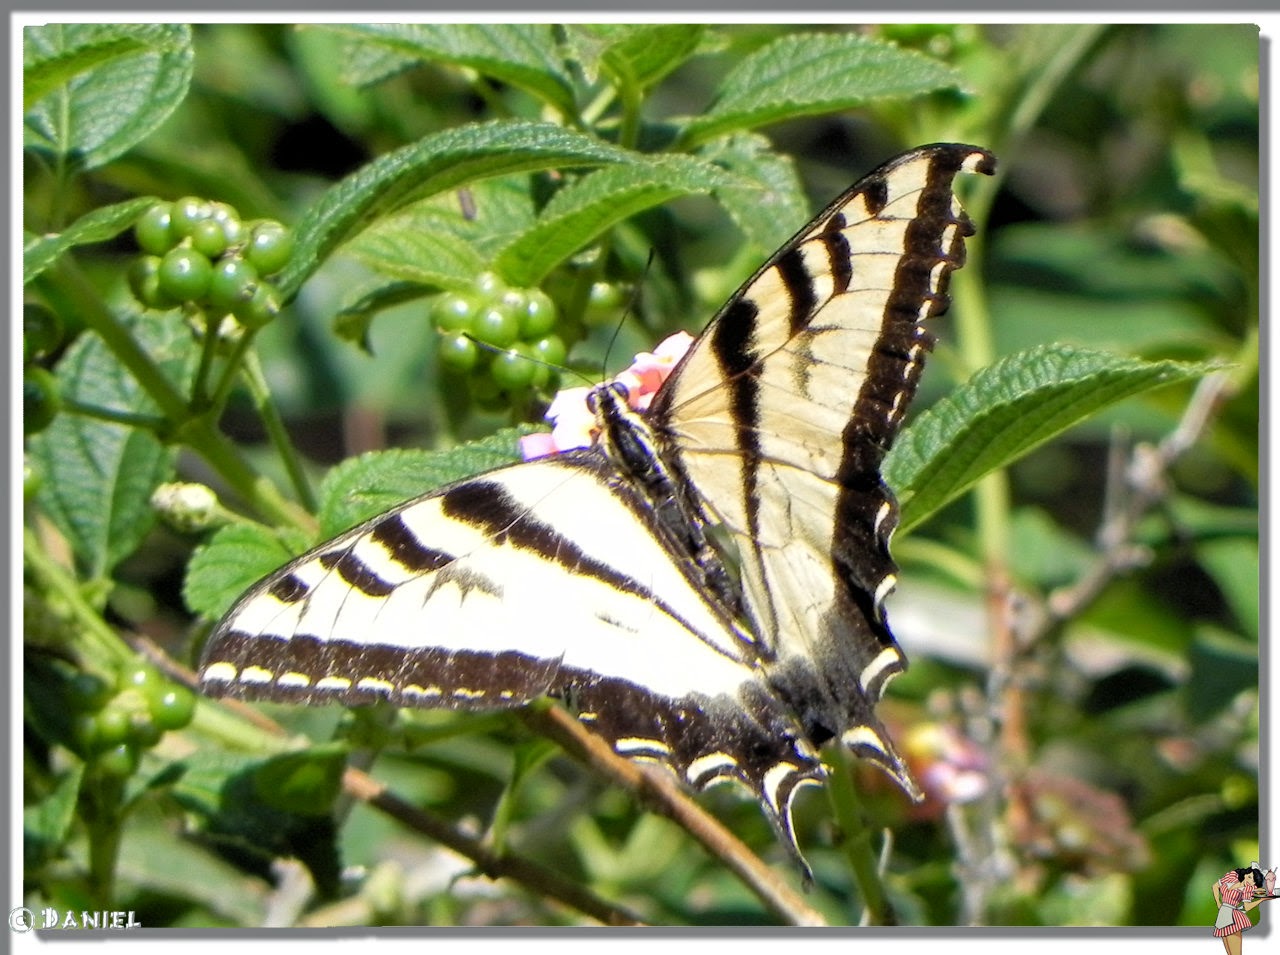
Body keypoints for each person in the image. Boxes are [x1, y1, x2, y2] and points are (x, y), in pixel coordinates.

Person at [1213, 864, 1266, 954]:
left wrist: (1261, 900)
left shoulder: (1247, 890)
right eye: (1249, 876)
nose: (1249, 881)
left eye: (1253, 880)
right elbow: (1215, 886)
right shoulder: (1232, 878)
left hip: (1233, 918)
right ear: (1245, 874)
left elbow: (1247, 906)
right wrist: (1218, 902)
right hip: (1222, 916)